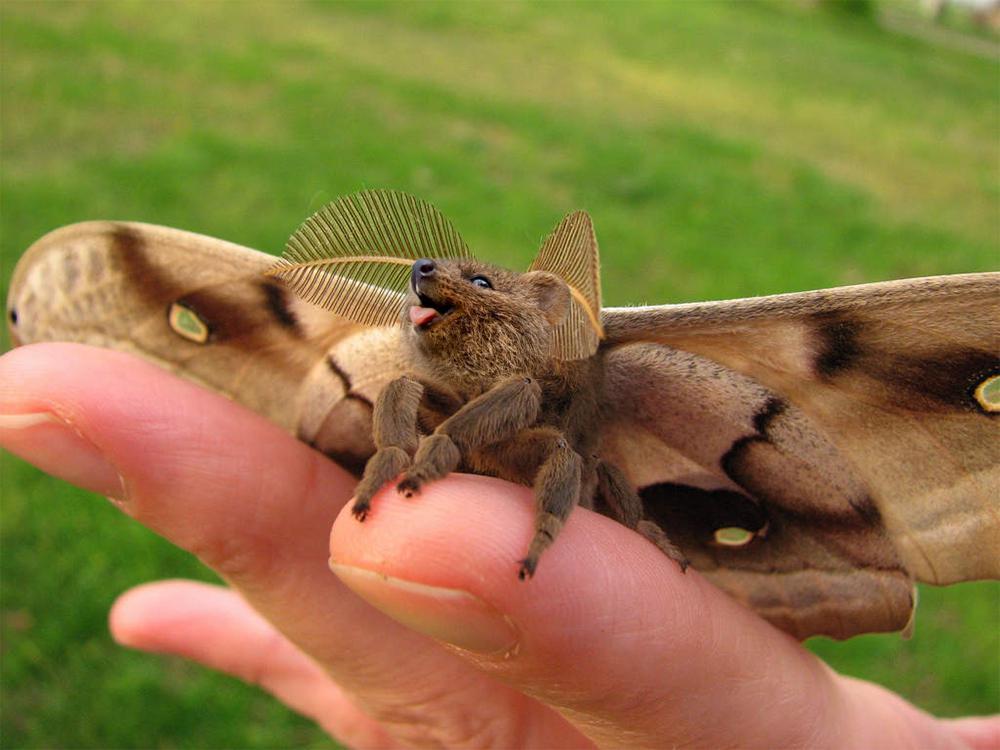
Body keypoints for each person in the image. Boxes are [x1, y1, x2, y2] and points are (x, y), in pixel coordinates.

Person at [1, 342, 997, 749]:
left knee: (583, 458)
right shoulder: (420, 356)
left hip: (631, 507)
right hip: (496, 534)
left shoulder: (586, 384)